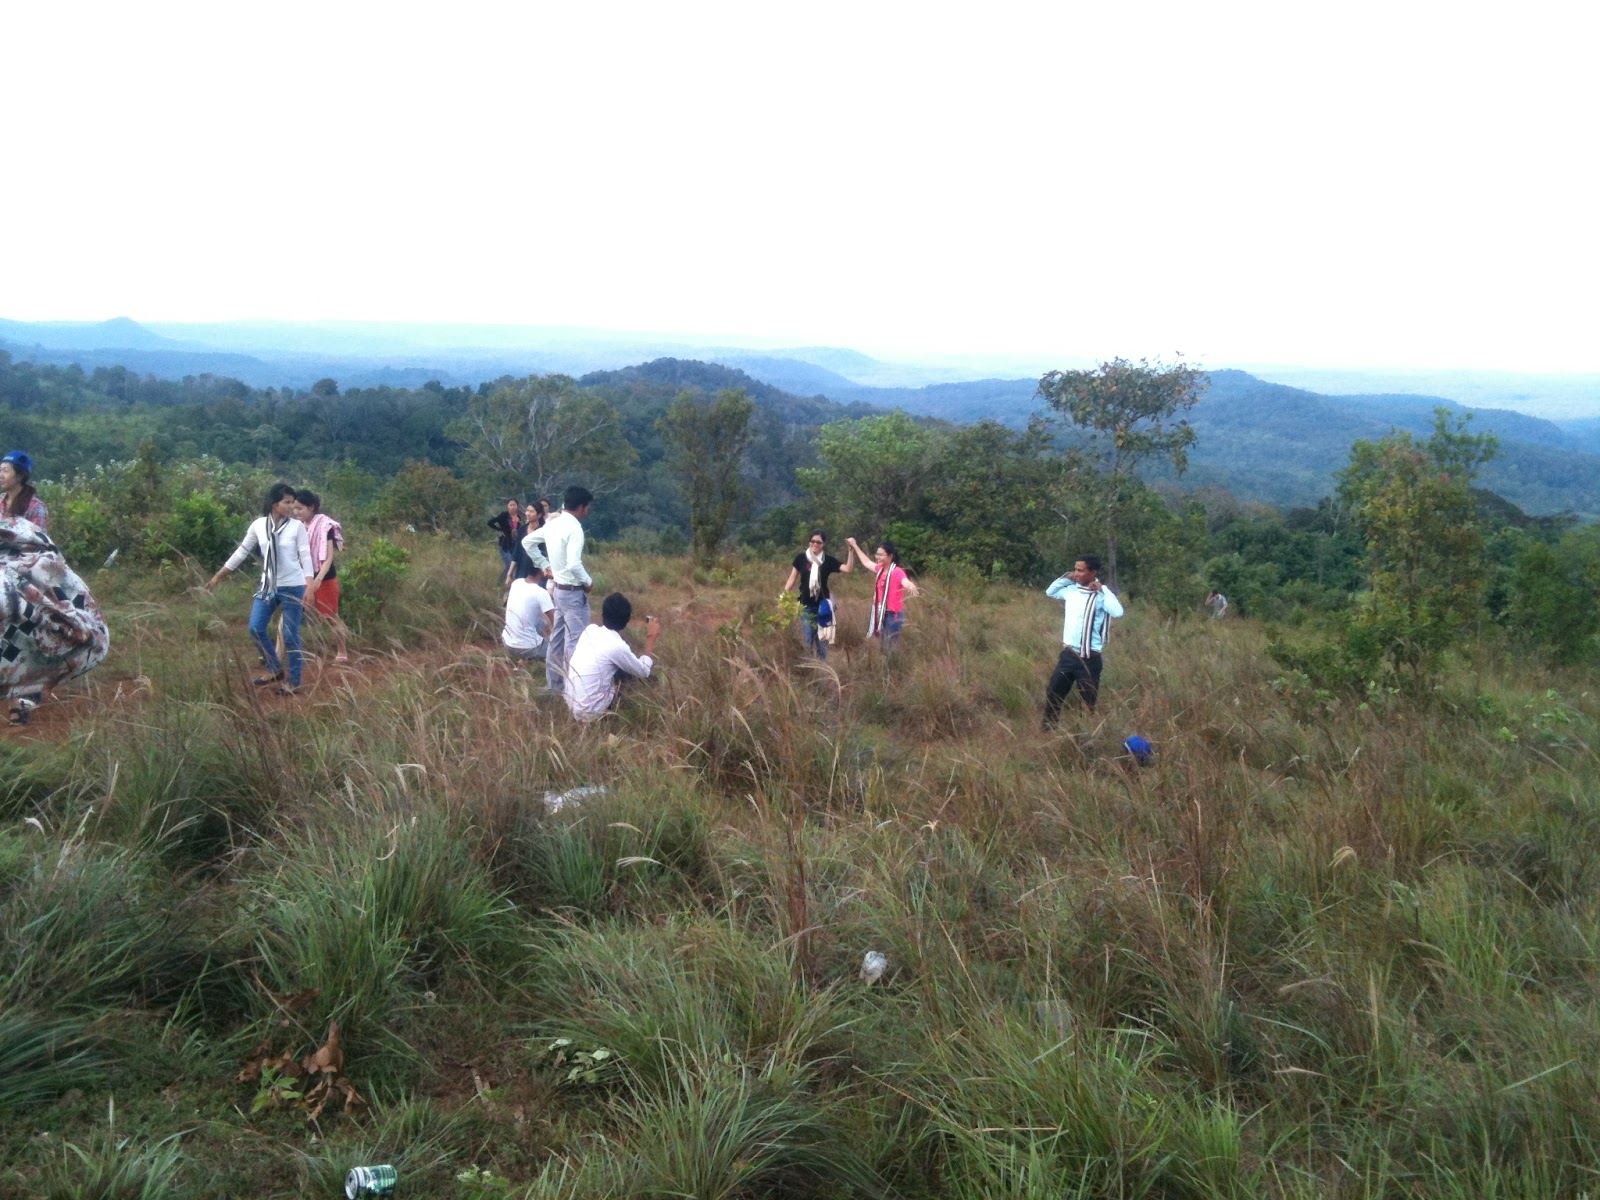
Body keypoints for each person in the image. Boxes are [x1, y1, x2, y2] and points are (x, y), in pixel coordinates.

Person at [205, 483, 314, 696]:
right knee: (255, 628)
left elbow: (305, 555)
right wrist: (218, 576)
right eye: (287, 502)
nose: (292, 506)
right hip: (268, 585)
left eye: (293, 502)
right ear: (275, 504)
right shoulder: (259, 525)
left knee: (291, 636)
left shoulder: (296, 527)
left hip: (293, 585)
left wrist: (309, 584)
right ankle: (274, 668)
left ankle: (294, 682)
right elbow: (242, 551)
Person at [2, 516, 109, 724]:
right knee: (11, 642)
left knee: (21, 640)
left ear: (21, 479)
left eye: (6, 478)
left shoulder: (33, 505)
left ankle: (21, 703)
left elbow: (39, 544)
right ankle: (18, 702)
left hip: (26, 582)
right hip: (9, 590)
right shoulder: (3, 502)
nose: (2, 480)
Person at [1042, 554, 1124, 727]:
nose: (1076, 574)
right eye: (1075, 570)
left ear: (1092, 572)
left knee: (1087, 701)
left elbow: (1117, 612)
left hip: (1090, 658)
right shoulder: (1071, 591)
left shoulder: (1101, 597)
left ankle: (1085, 736)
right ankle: (1048, 729)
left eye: (1080, 570)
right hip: (1069, 655)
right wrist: (1066, 577)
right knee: (1054, 693)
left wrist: (1103, 589)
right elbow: (1050, 592)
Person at [563, 592, 659, 722]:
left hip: (571, 703)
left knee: (617, 668)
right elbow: (643, 671)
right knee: (640, 676)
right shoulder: (617, 646)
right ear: (626, 621)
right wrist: (651, 636)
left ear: (603, 614)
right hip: (590, 712)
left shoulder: (590, 630)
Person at [542, 485, 594, 694]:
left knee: (557, 639)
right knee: (575, 642)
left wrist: (545, 565)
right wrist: (588, 582)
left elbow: (529, 541)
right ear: (581, 507)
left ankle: (554, 686)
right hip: (572, 591)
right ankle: (574, 692)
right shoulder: (574, 528)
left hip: (558, 590)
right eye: (587, 507)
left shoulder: (553, 523)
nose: (588, 512)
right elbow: (574, 564)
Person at [296, 489, 349, 664]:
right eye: (294, 508)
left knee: (331, 616)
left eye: (300, 508)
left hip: (324, 578)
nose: (296, 512)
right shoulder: (296, 526)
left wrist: (318, 579)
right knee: (293, 614)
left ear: (311, 507)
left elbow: (328, 557)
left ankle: (342, 650)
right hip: (302, 576)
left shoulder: (325, 526)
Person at [783, 529, 852, 660]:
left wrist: (851, 550)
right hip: (805, 606)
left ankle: (823, 673)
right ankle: (808, 670)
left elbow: (848, 569)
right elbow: (792, 579)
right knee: (807, 640)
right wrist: (783, 597)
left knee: (822, 645)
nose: (815, 544)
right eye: (813, 541)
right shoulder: (801, 558)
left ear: (823, 544)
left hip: (823, 607)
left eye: (818, 542)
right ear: (809, 542)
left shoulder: (828, 560)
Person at [846, 536, 919, 651]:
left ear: (890, 556)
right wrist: (855, 546)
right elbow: (866, 562)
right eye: (877, 554)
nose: (878, 557)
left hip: (893, 615)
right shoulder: (880, 569)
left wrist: (911, 585)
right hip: (880, 612)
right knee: (882, 645)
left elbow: (905, 581)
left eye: (881, 555)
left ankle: (891, 667)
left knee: (890, 646)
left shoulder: (897, 572)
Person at [502, 561, 555, 665]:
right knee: (558, 649)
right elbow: (554, 621)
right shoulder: (541, 593)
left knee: (539, 621)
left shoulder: (517, 583)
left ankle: (522, 658)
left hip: (507, 643)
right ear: (541, 570)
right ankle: (529, 658)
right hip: (529, 648)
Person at [506, 497, 551, 588]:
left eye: (531, 511)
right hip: (521, 570)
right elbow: (516, 553)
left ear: (539, 515)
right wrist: (509, 574)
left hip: (538, 573)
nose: (528, 514)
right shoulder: (522, 529)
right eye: (527, 511)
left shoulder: (544, 531)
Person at [0, 451, 49, 530]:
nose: (1, 475)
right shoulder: (1, 501)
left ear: (20, 476)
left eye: (5, 471)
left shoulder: (36, 506)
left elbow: (38, 539)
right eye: (0, 470)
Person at [488, 499, 522, 579]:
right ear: (507, 506)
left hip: (514, 545)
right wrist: (499, 530)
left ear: (517, 506)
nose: (513, 507)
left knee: (513, 565)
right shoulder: (504, 515)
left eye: (514, 505)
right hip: (504, 544)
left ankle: (504, 582)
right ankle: (502, 582)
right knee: (510, 564)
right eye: (511, 505)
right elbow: (490, 522)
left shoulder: (519, 517)